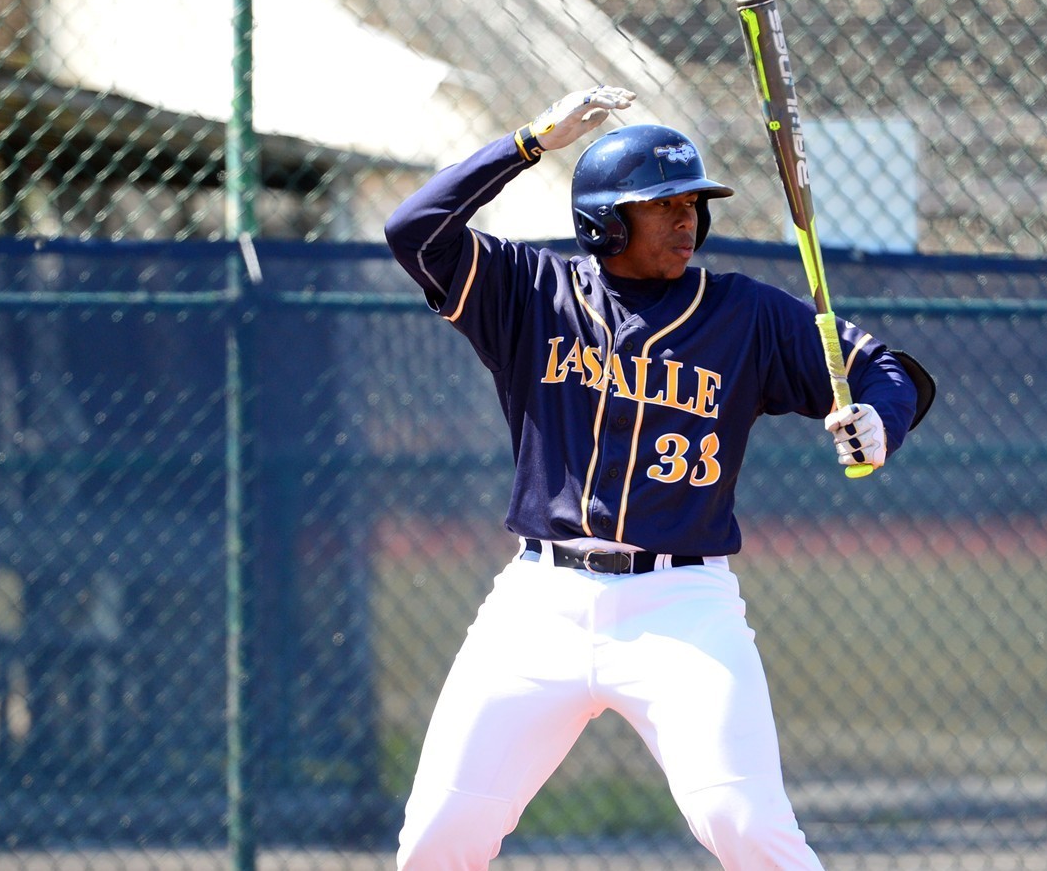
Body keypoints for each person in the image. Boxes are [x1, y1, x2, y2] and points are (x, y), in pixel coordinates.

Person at [383, 86, 933, 869]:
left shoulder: (745, 313)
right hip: (540, 603)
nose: (687, 220)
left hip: (681, 607)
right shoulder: (530, 292)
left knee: (744, 823)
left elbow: (882, 369)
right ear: (604, 218)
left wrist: (881, 422)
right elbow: (413, 230)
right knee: (440, 837)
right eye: (661, 203)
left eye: (693, 203)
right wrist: (529, 142)